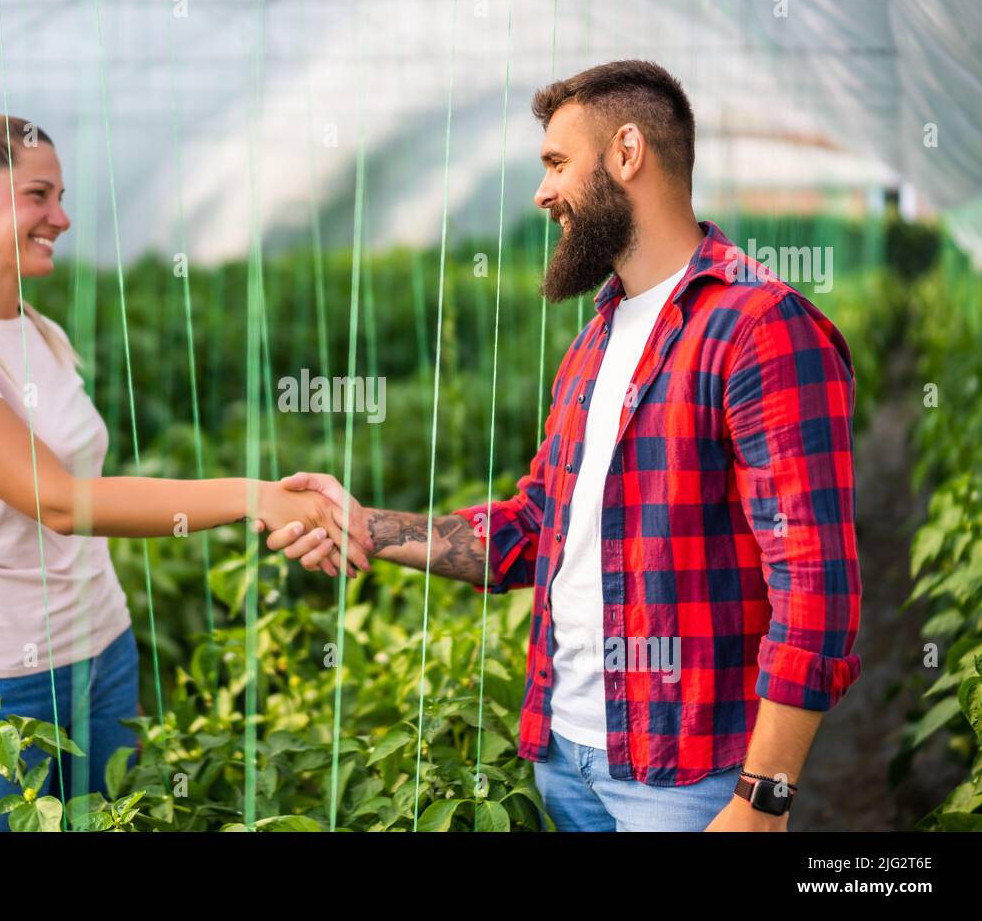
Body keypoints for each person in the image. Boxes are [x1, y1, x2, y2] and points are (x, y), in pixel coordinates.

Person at [265, 59, 862, 832]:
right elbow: (533, 529)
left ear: (625, 153)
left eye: (555, 163)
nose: (543, 193)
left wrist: (763, 799)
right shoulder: (596, 339)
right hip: (564, 759)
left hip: (684, 777)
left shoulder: (758, 328)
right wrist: (367, 527)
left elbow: (815, 589)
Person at [0, 109, 371, 831]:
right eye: (39, 196)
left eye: (61, 196)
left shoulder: (39, 332)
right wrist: (251, 497)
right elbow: (60, 501)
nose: (63, 217)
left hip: (100, 655)